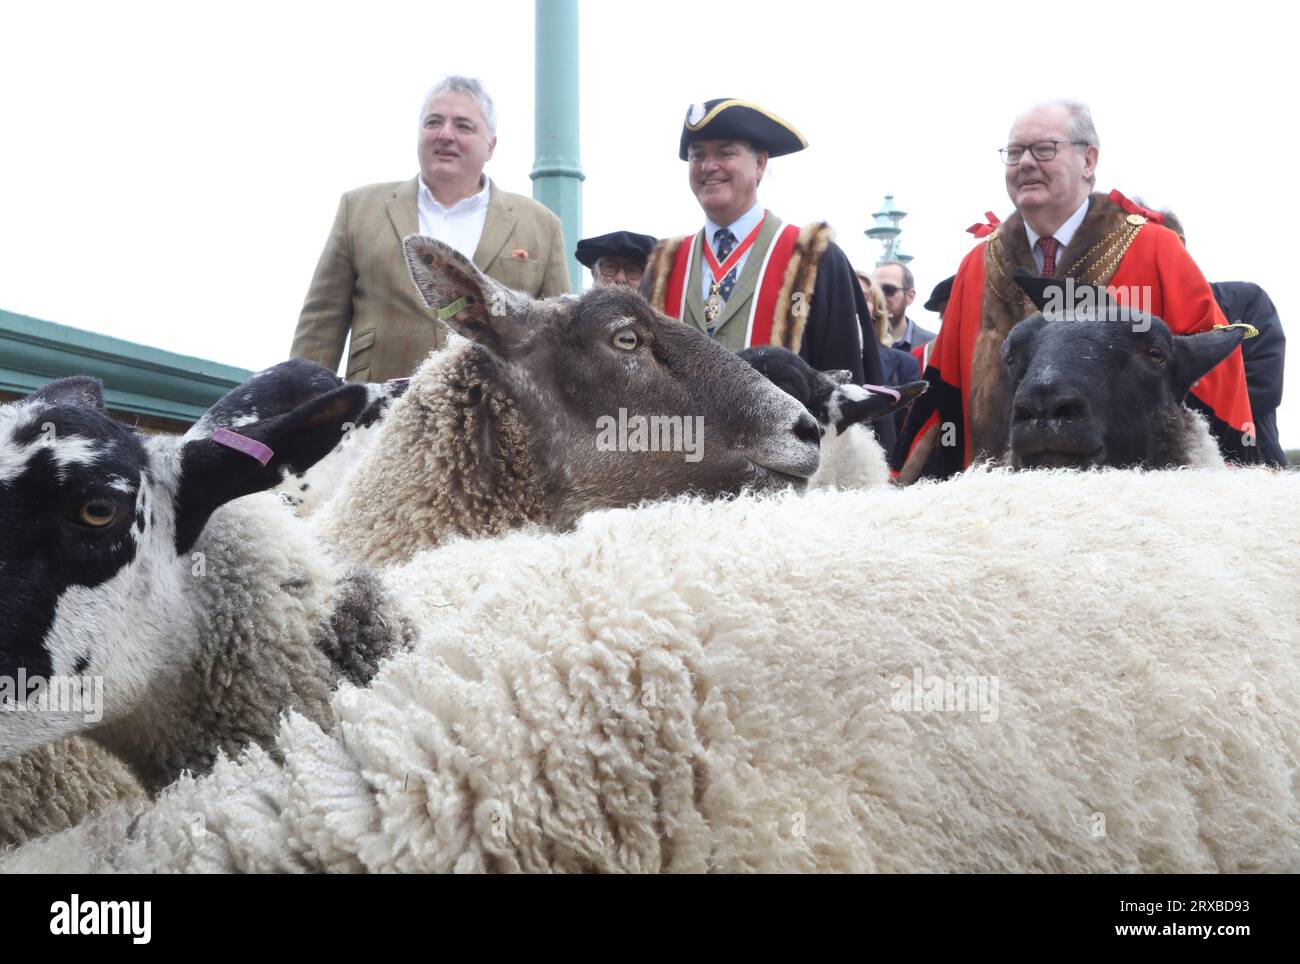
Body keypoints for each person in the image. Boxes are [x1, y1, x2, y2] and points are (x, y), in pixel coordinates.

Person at [892, 99, 1255, 481]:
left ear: (1088, 161)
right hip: (996, 512)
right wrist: (917, 482)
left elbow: (1213, 376)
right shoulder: (978, 264)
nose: (1026, 162)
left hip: (1133, 510)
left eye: (1044, 148)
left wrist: (1225, 479)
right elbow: (944, 393)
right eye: (1014, 152)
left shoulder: (1154, 249)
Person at [640, 98, 890, 456]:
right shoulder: (666, 265)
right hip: (682, 482)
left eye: (724, 153)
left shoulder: (814, 259)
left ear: (760, 164)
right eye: (697, 155)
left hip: (788, 483)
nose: (708, 166)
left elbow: (849, 384)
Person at [290, 75, 570, 383]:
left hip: (495, 421)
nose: (445, 134)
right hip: (375, 417)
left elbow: (561, 342)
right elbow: (320, 327)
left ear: (491, 146)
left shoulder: (542, 226)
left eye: (463, 125)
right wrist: (297, 408)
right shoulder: (358, 209)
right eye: (434, 122)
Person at [1159, 209, 1287, 467]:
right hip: (1170, 478)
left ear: (1177, 245)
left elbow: (1264, 385)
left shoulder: (1247, 300)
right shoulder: (1133, 325)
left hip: (1254, 467)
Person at [858, 269, 921, 438]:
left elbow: (910, 431)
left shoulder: (905, 364)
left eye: (864, 297)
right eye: (848, 295)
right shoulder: (813, 357)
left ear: (876, 310)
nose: (854, 303)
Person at [873, 260, 935, 352]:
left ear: (910, 296)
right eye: (874, 290)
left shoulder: (932, 347)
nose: (879, 296)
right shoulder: (854, 336)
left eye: (888, 289)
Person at [575, 231, 657, 288]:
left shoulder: (665, 313)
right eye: (610, 267)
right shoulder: (573, 313)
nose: (620, 279)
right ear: (594, 273)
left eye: (632, 270)